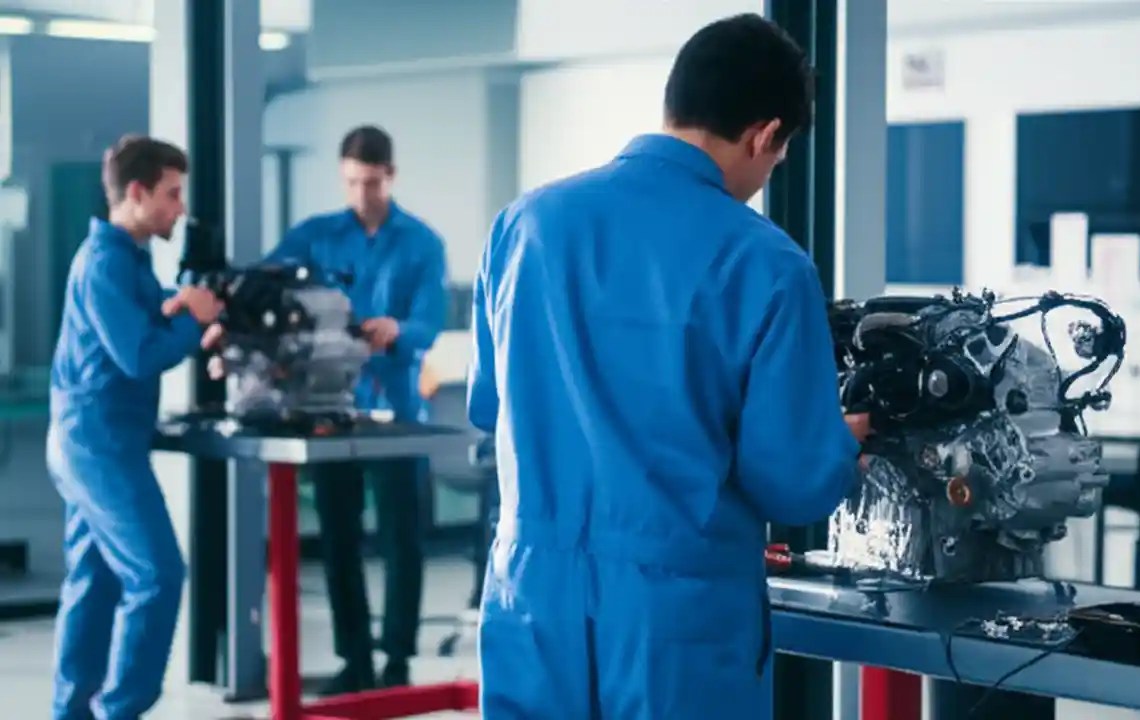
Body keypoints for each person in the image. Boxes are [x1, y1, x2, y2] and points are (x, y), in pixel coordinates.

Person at [467, 13, 869, 719]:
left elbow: (490, 407)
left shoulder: (522, 225)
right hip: (675, 616)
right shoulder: (766, 263)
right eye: (778, 158)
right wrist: (846, 442)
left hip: (527, 596)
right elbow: (793, 483)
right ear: (767, 136)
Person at [261, 125, 449, 693]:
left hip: (395, 411)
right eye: (351, 183)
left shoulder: (421, 242)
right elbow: (267, 282)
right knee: (339, 536)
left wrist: (398, 329)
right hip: (327, 406)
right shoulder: (316, 236)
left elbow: (429, 320)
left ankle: (396, 660)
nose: (361, 194)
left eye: (370, 182)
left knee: (402, 537)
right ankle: (355, 661)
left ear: (390, 175)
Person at [47, 134, 224, 720]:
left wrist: (185, 310)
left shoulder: (130, 259)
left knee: (94, 586)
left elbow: (148, 323)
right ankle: (119, 711)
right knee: (158, 574)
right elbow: (138, 354)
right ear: (137, 192)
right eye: (172, 195)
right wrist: (195, 321)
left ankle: (70, 713)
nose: (180, 208)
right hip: (96, 445)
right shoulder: (104, 261)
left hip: (99, 440)